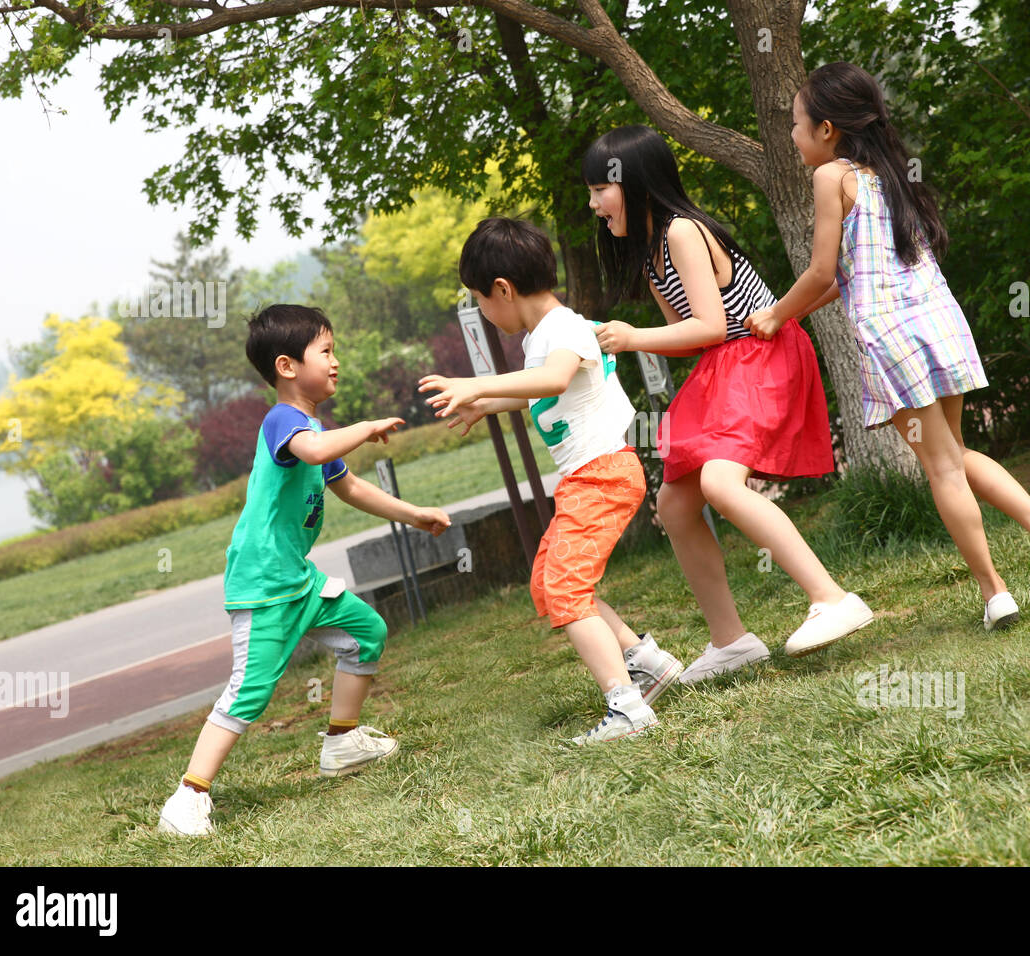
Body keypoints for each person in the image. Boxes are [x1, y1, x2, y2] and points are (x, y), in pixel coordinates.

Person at [747, 62, 1030, 630]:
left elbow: (821, 269)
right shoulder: (889, 172)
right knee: (954, 453)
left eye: (798, 124)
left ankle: (1000, 586)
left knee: (943, 469)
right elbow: (844, 279)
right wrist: (788, 314)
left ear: (828, 129)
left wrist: (775, 312)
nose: (793, 136)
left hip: (893, 338)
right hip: (939, 322)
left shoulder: (832, 177)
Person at [583, 124, 875, 678]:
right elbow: (692, 337)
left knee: (719, 484)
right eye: (592, 192)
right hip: (724, 366)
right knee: (674, 505)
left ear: (637, 182)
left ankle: (832, 598)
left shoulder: (682, 233)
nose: (595, 204)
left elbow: (713, 326)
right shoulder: (651, 255)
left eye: (602, 189)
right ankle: (731, 641)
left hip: (760, 356)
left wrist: (631, 336)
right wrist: (621, 341)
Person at [158, 304, 452, 837]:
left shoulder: (313, 426)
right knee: (249, 690)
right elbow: (315, 450)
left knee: (367, 634)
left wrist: (414, 515)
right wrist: (363, 427)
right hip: (264, 586)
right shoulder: (285, 422)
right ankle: (187, 798)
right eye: (327, 351)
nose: (336, 362)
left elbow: (351, 487)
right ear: (287, 366)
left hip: (299, 578)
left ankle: (341, 744)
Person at [419, 217, 683, 744]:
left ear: (503, 289)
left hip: (602, 476)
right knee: (552, 583)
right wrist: (487, 405)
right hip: (590, 478)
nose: (485, 314)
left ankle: (627, 705)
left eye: (480, 301)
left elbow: (555, 378)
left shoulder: (563, 328)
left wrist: (473, 385)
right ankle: (645, 662)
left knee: (567, 588)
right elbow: (542, 391)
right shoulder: (544, 336)